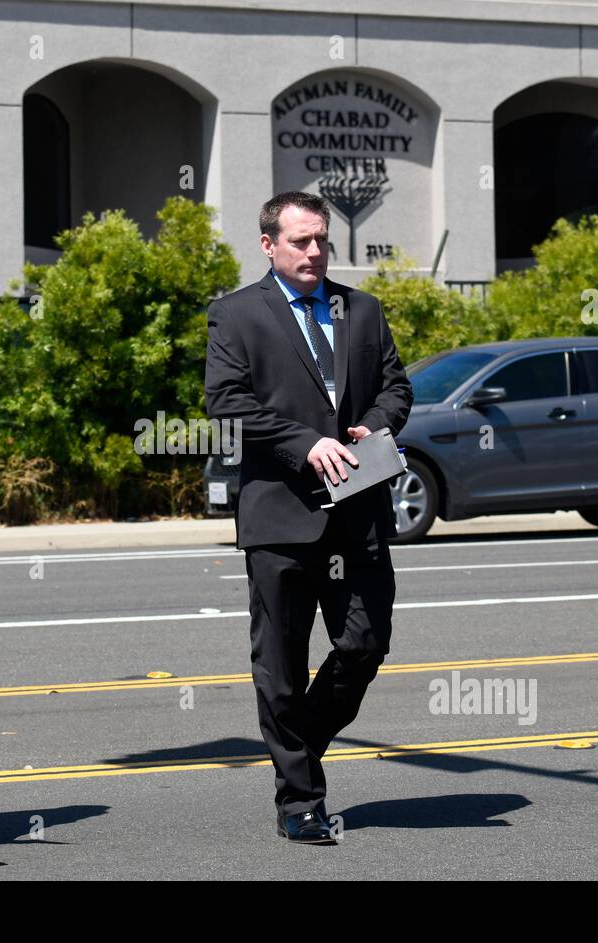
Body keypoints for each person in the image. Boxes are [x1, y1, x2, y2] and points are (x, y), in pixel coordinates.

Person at [205, 190, 413, 844]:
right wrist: (305, 442)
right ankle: (300, 799)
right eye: (301, 241)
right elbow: (227, 404)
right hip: (280, 517)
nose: (316, 251)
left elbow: (396, 387)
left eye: (322, 239)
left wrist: (374, 423)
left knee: (365, 642)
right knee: (281, 666)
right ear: (269, 244)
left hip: (359, 516)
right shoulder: (235, 315)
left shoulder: (364, 309)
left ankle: (301, 743)